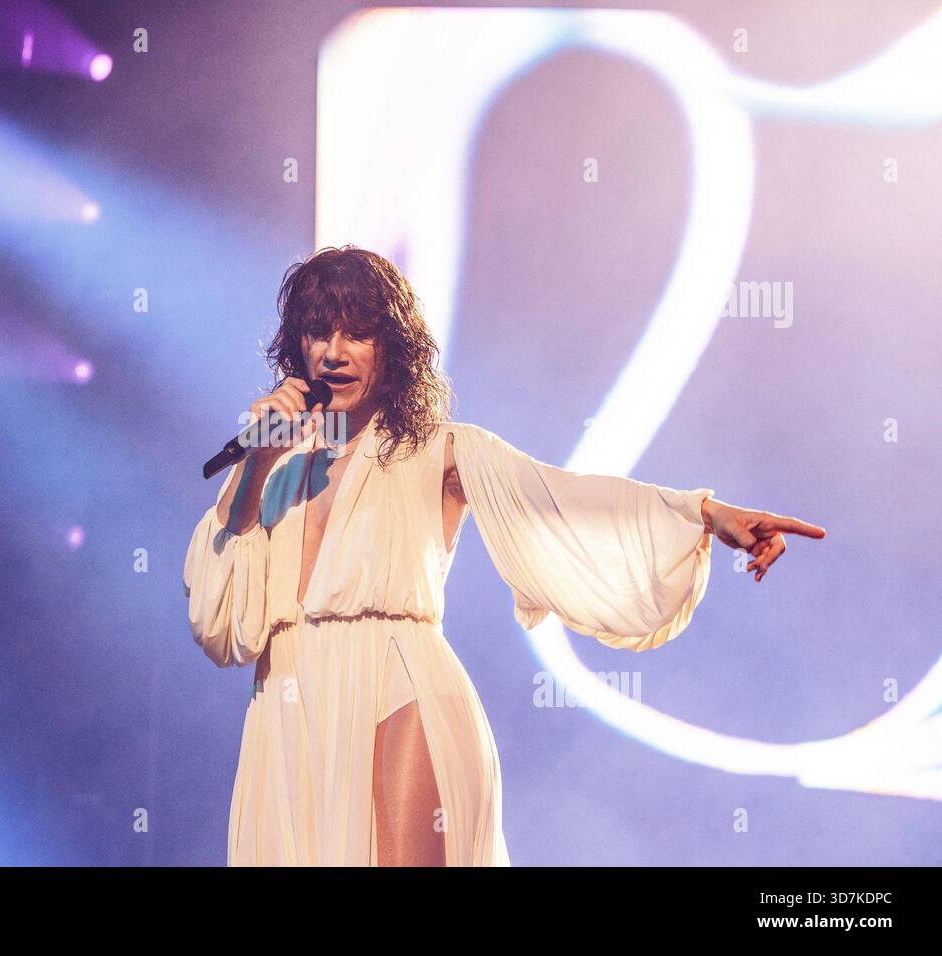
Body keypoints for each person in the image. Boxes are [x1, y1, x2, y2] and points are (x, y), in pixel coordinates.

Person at [182, 246, 826, 866]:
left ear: (393, 347)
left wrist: (708, 514)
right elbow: (221, 625)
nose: (334, 353)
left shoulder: (440, 450)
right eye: (319, 332)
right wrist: (260, 459)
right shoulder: (276, 475)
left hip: (396, 686)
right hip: (289, 715)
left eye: (357, 332)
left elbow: (566, 500)